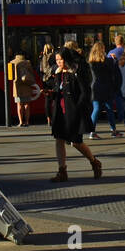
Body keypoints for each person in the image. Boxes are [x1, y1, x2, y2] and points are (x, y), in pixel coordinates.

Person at [46, 47, 100, 181]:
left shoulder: (76, 72)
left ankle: (94, 161)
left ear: (67, 59)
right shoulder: (58, 73)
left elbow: (85, 92)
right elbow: (57, 90)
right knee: (59, 140)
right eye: (57, 60)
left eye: (60, 59)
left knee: (76, 142)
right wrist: (51, 93)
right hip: (60, 112)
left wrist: (78, 108)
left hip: (73, 111)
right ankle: (62, 171)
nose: (58, 62)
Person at [86, 43, 120, 138]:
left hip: (95, 87)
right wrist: (115, 60)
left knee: (96, 109)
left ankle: (91, 131)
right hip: (106, 87)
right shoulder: (108, 61)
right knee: (109, 109)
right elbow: (114, 72)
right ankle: (113, 130)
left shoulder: (90, 62)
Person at [11, 52, 40, 127]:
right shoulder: (28, 63)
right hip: (27, 84)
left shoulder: (13, 63)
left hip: (17, 86)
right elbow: (32, 73)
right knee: (27, 104)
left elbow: (10, 76)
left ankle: (20, 122)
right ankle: (27, 121)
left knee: (19, 104)